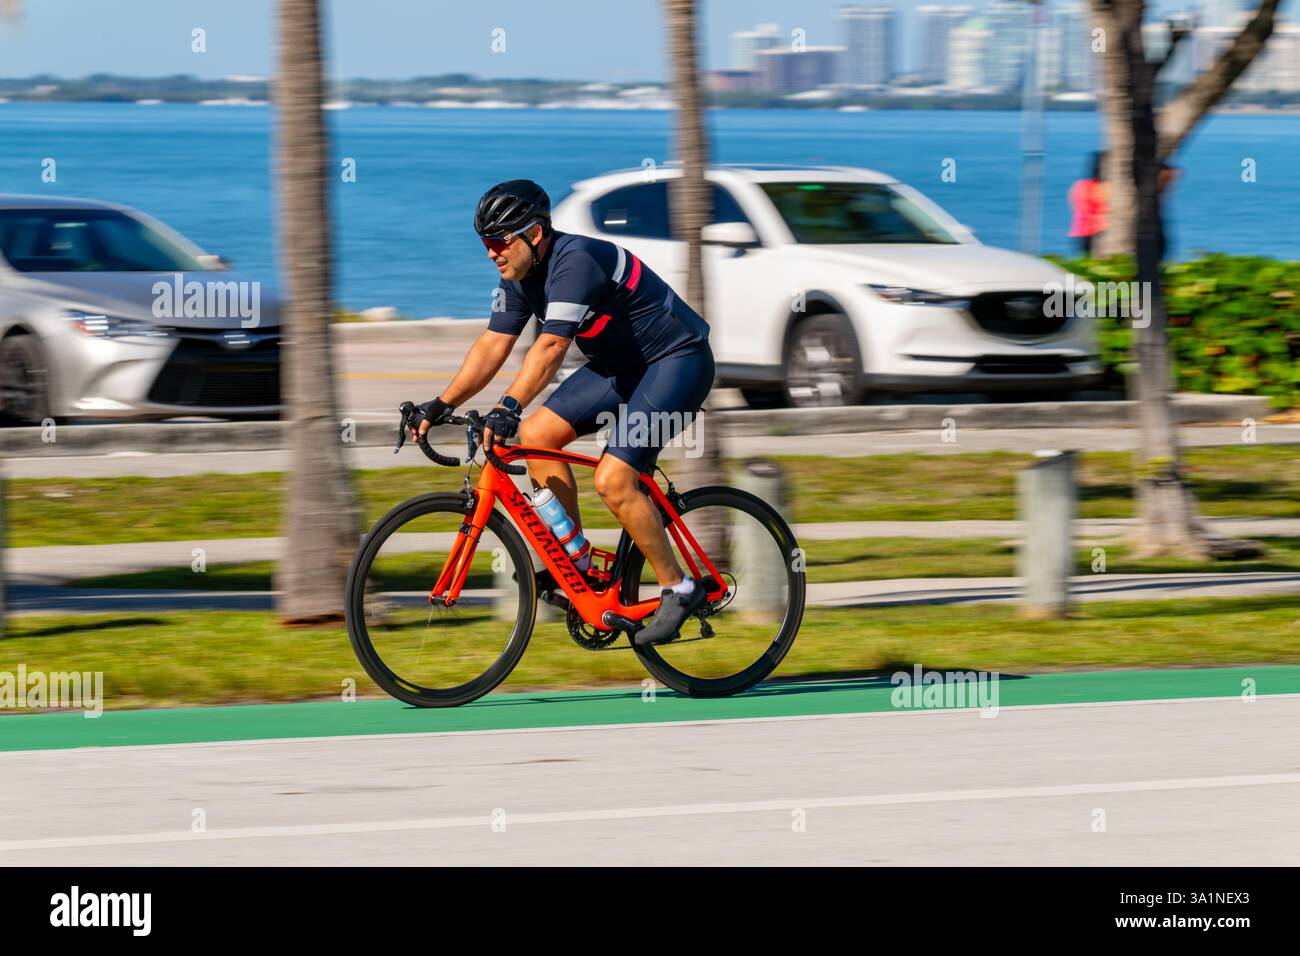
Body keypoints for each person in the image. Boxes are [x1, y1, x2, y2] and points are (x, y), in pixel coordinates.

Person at [409, 179, 716, 646]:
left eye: (498, 242)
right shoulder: (519, 276)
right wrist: (442, 402)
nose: (491, 253)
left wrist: (507, 406)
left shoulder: (575, 261)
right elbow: (493, 344)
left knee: (613, 479)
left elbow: (552, 346)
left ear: (533, 234)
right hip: (620, 369)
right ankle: (579, 568)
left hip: (677, 362)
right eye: (484, 244)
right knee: (536, 438)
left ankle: (680, 586)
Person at [1068, 152, 1108, 257]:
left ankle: (1069, 274)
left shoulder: (1079, 186)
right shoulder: (1103, 188)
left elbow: (1074, 206)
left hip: (1079, 231)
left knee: (1082, 262)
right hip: (1099, 232)